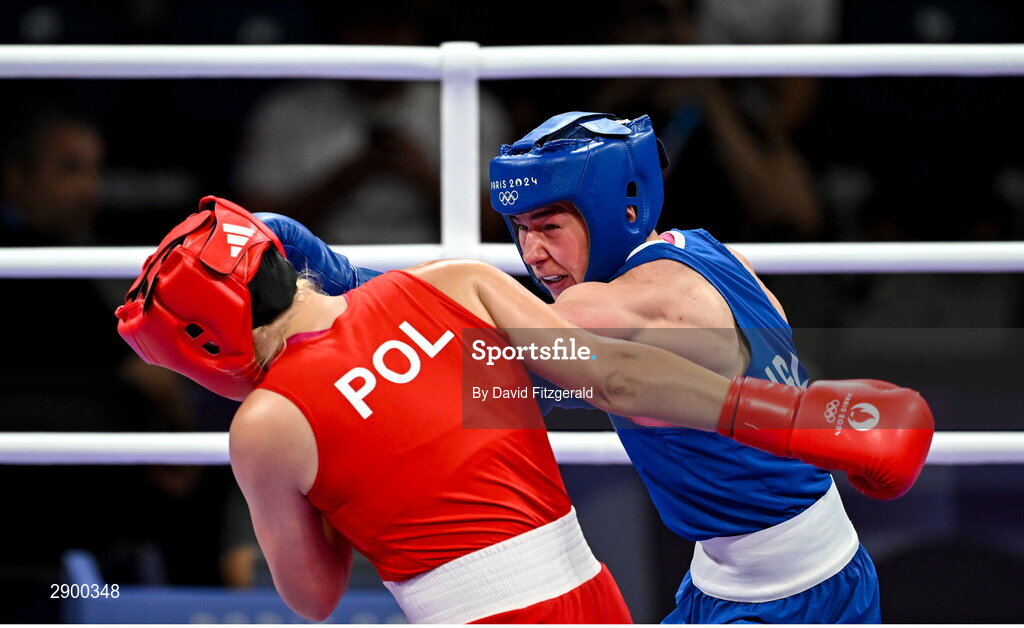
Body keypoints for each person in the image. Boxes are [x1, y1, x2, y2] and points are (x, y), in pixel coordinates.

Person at [265, 113, 933, 623]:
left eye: (551, 226)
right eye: (519, 229)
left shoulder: (602, 309)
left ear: (623, 207)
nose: (534, 253)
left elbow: (469, 349)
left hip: (787, 597)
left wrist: (345, 280)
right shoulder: (706, 251)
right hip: (751, 575)